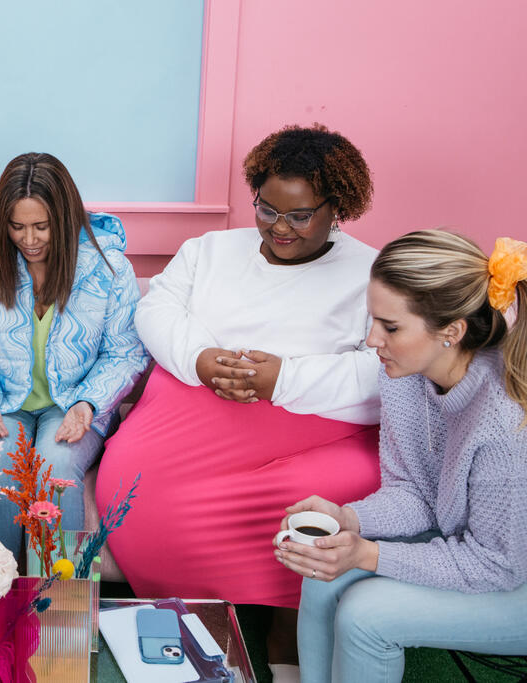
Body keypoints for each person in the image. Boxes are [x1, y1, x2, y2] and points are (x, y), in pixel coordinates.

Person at [97, 124, 382, 677]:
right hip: (191, 422)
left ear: (337, 208)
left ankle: (287, 634)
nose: (279, 227)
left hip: (312, 433)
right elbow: (155, 311)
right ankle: (189, 635)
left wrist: (286, 380)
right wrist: (201, 359)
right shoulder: (208, 250)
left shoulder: (371, 272)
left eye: (299, 215)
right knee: (131, 492)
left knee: (336, 493)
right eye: (267, 208)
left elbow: (384, 370)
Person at [278, 230, 527, 683]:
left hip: (512, 576)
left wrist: (367, 555)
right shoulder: (403, 374)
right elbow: (415, 492)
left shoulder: (505, 423)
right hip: (474, 551)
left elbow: (497, 564)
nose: (372, 340)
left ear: (450, 332)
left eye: (390, 327)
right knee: (323, 572)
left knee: (366, 614)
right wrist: (348, 520)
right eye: (373, 320)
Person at [0, 152, 149, 555]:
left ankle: (58, 607)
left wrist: (90, 403)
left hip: (74, 404)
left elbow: (124, 353)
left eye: (42, 226)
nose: (30, 239)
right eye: (17, 226)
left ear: (66, 218)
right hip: (0, 403)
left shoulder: (109, 270)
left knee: (54, 467)